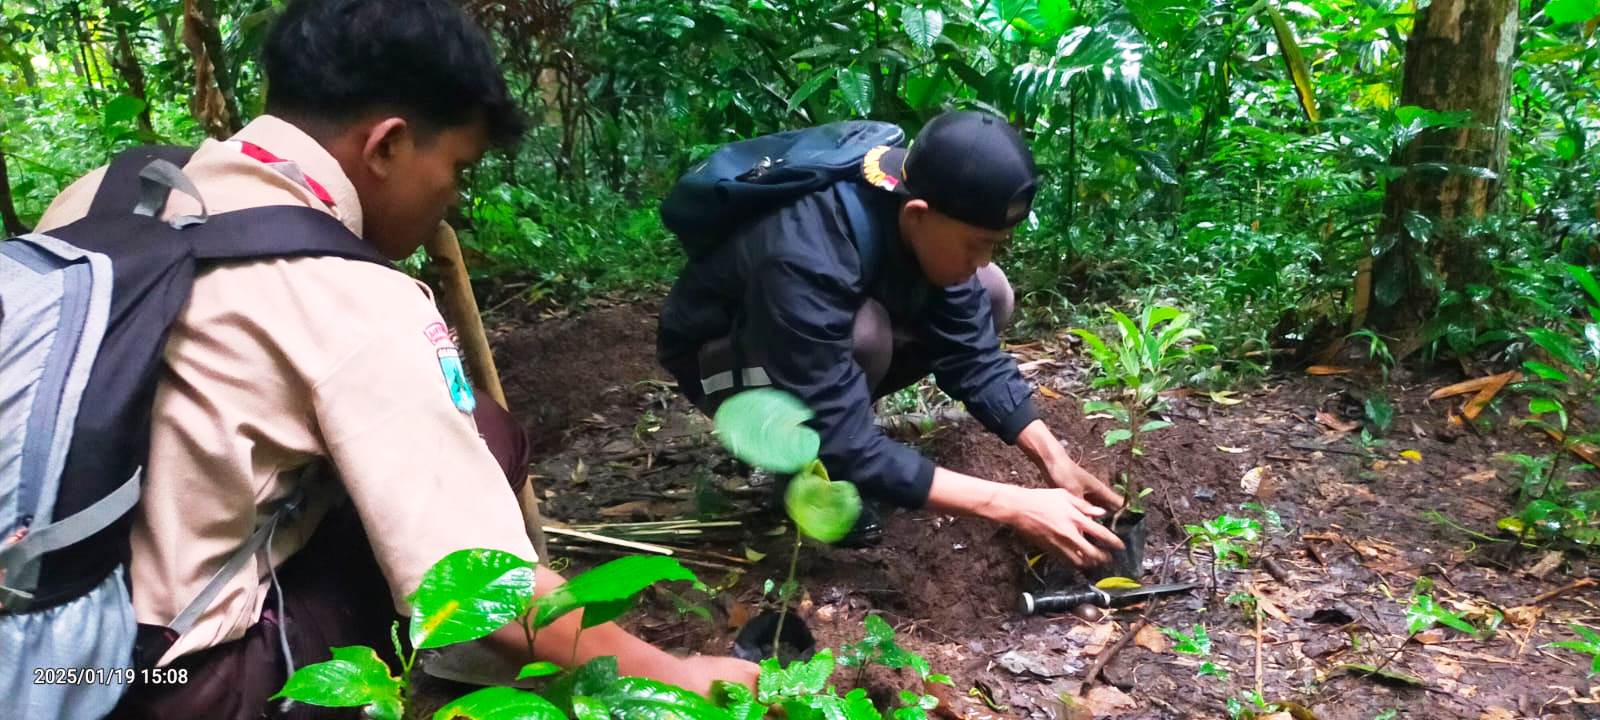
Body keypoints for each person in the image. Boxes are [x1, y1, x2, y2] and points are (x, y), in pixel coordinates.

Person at [31, 0, 755, 716]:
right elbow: (481, 587)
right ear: (386, 146)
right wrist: (677, 675)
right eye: (457, 168)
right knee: (486, 438)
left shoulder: (103, 193)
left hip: (39, 650)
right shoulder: (354, 296)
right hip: (167, 687)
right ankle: (436, 676)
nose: (452, 199)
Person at [658, 111, 1126, 567]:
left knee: (990, 291)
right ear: (918, 215)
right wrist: (1011, 502)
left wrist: (1054, 458)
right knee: (865, 337)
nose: (983, 258)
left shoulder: (929, 202)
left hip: (810, 344)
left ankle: (855, 434)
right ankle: (801, 468)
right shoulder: (804, 251)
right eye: (976, 244)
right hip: (723, 364)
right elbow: (842, 435)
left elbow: (972, 354)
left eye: (995, 244)